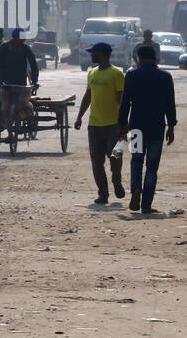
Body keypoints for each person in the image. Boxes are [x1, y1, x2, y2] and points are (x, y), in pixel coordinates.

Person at [119, 44, 177, 214]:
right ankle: (146, 204)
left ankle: (136, 189)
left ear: (138, 57)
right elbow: (170, 103)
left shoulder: (131, 75)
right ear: (155, 58)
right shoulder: (165, 76)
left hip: (136, 127)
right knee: (152, 167)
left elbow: (125, 103)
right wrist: (171, 125)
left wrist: (122, 124)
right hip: (157, 129)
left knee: (136, 160)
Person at [73, 42, 125, 204]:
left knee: (115, 157)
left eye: (93, 53)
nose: (91, 56)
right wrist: (79, 116)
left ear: (102, 54)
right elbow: (88, 95)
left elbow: (121, 99)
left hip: (113, 125)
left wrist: (123, 123)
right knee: (96, 162)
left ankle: (116, 182)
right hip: (94, 125)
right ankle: (103, 193)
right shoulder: (92, 73)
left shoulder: (116, 74)